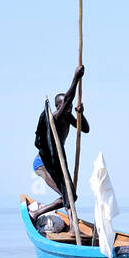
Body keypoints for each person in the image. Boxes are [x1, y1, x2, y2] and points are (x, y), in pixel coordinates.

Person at [34, 66, 89, 202]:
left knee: (69, 195)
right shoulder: (54, 118)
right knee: (68, 196)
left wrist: (80, 114)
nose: (69, 107)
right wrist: (76, 78)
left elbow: (85, 129)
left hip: (56, 162)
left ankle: (71, 218)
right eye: (66, 105)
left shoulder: (68, 116)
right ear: (59, 106)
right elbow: (68, 99)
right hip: (42, 164)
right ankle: (36, 214)